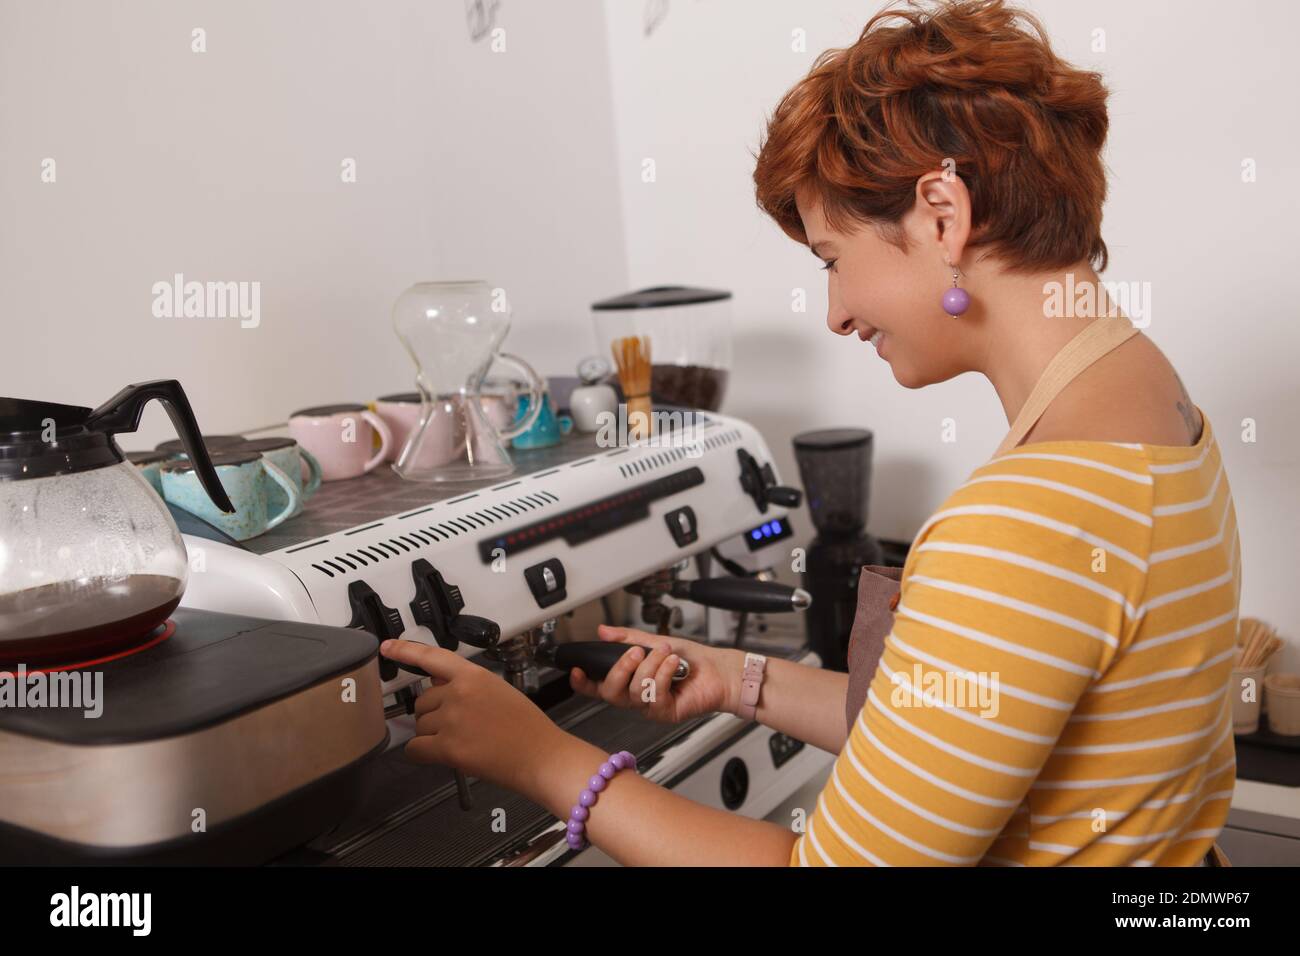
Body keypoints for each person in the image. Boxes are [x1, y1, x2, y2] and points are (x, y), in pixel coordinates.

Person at [381, 0, 1240, 866]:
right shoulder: (1155, 406)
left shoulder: (1024, 520)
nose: (834, 313)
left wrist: (545, 760)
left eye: (832, 260)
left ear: (943, 215)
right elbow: (977, 717)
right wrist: (740, 680)